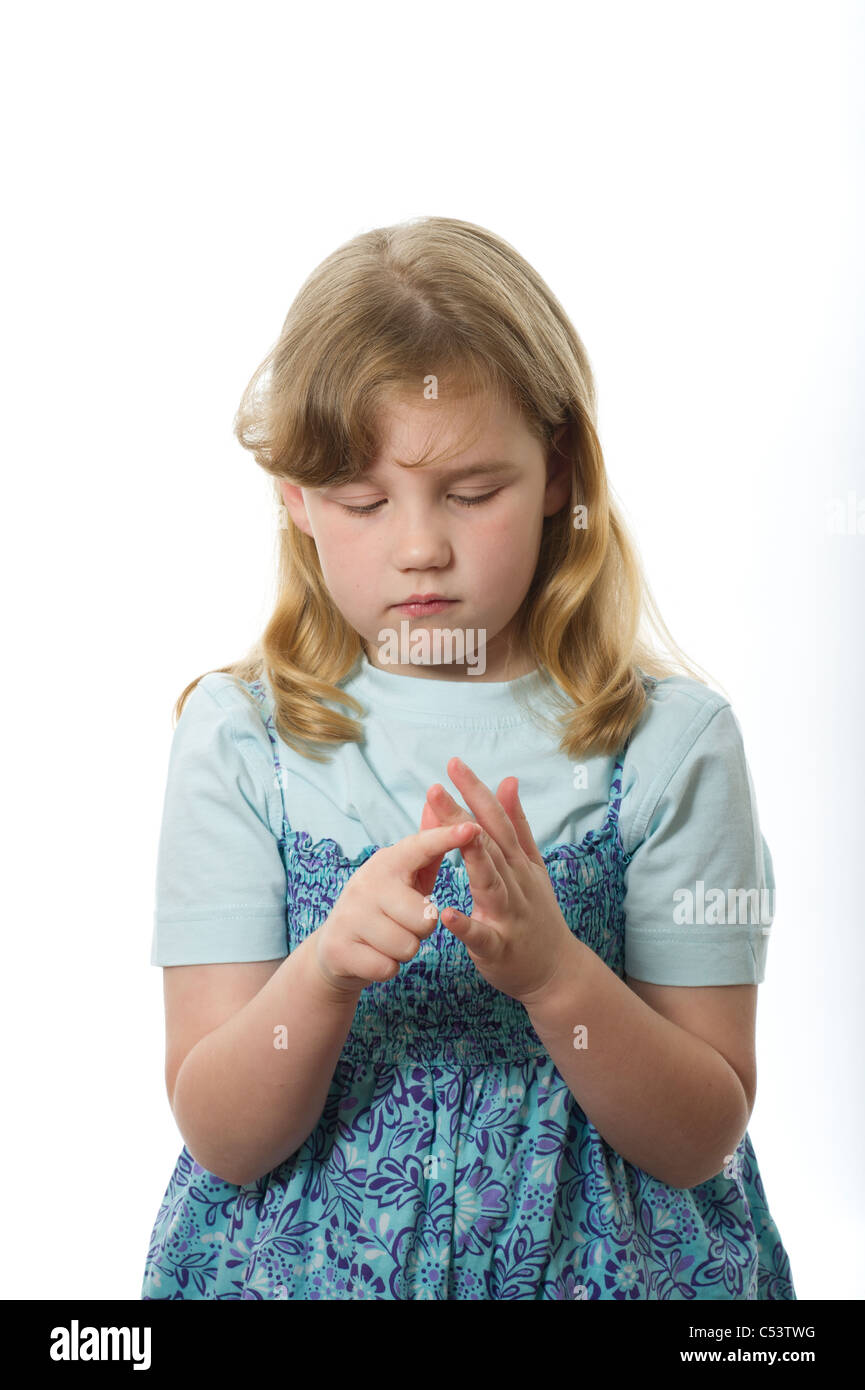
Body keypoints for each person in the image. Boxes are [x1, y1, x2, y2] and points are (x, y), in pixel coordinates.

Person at [141, 215, 796, 1300]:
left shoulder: (670, 747)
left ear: (556, 472)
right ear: (296, 500)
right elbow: (222, 1135)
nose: (418, 545)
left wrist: (555, 976)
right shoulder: (241, 739)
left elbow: (698, 1134)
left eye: (473, 491)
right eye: (363, 500)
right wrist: (323, 972)